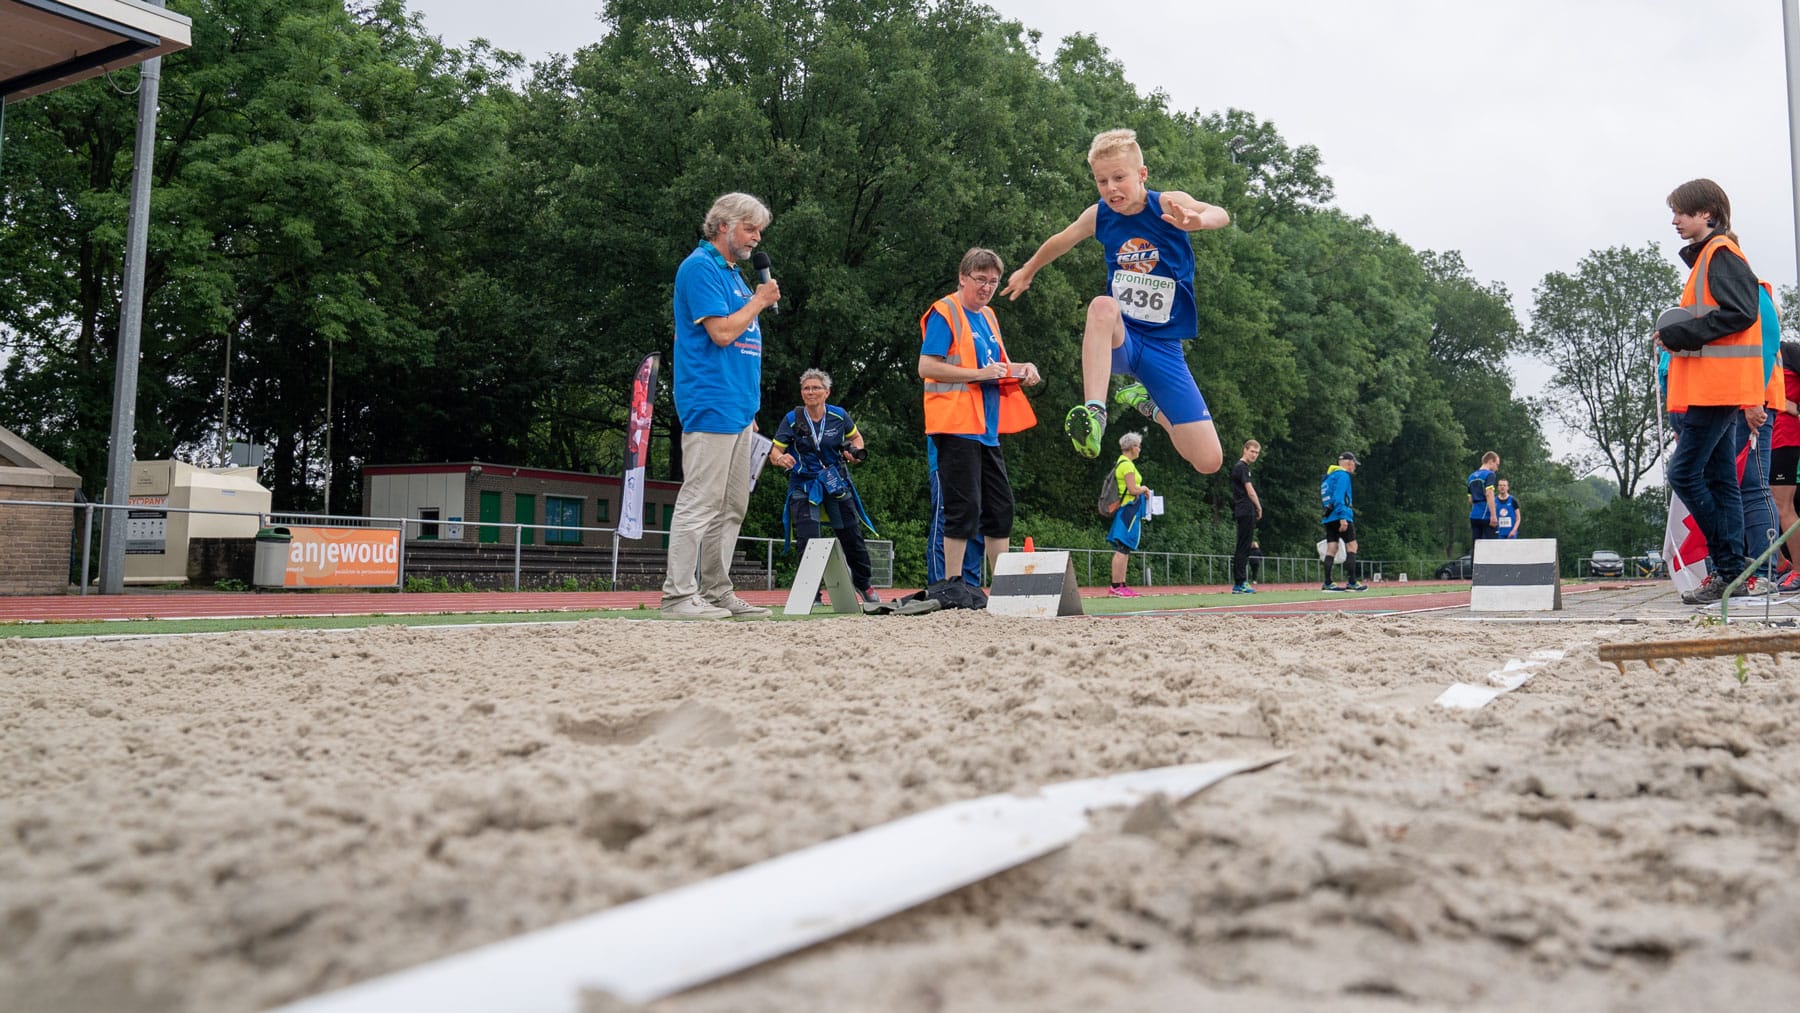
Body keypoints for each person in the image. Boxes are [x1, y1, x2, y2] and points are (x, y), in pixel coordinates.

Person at [1001, 128, 1230, 475]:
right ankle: (1095, 412)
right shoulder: (1099, 216)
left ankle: (1147, 405)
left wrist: (1198, 220)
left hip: (1163, 347)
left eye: (1119, 178)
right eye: (1102, 181)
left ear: (1142, 175)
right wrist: (1029, 269)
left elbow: (1220, 213)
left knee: (1209, 462)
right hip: (1121, 339)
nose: (1111, 188)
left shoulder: (1167, 203)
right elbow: (1062, 240)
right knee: (1102, 306)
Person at [660, 193, 780, 620]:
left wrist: (750, 407)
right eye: (751, 228)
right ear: (725, 225)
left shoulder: (733, 274)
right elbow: (723, 334)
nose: (756, 237)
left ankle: (715, 591)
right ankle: (677, 595)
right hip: (710, 402)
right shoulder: (700, 268)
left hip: (738, 407)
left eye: (758, 230)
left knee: (731, 506)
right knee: (701, 499)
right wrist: (760, 301)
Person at [1654, 178, 1767, 604]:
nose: (1675, 220)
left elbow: (1741, 313)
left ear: (1708, 214)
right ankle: (1734, 574)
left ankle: (1731, 566)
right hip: (1717, 388)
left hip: (1717, 390)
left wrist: (1679, 334)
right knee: (1721, 481)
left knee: (1683, 473)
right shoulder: (1711, 257)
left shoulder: (1720, 254)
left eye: (1682, 212)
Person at [919, 248, 1041, 588]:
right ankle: (951, 583)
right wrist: (978, 374)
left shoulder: (988, 317)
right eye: (980, 280)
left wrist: (1023, 369)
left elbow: (998, 366)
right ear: (962, 277)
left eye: (993, 281)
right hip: (955, 424)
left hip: (987, 428)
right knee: (963, 508)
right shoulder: (946, 312)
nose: (986, 287)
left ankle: (1003, 586)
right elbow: (926, 366)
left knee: (1001, 507)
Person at [770, 369, 878, 603]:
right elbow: (774, 451)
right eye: (806, 388)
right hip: (804, 483)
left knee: (851, 535)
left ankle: (864, 584)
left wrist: (854, 452)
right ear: (801, 393)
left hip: (835, 481)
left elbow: (857, 438)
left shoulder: (839, 416)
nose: (811, 392)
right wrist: (781, 459)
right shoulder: (791, 418)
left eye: (816, 388)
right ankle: (812, 592)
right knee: (807, 539)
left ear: (827, 392)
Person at [926, 437, 985, 587]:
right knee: (946, 523)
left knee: (973, 524)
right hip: (946, 461)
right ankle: (940, 586)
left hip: (978, 461)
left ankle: (970, 587)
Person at [1107, 432, 1152, 597]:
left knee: (1125, 548)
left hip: (1128, 509)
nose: (1139, 450)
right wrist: (1145, 488)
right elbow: (1133, 489)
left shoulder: (1123, 463)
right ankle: (1115, 585)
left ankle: (1122, 585)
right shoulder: (1127, 465)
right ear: (1133, 448)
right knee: (1122, 547)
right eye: (1138, 446)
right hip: (1128, 509)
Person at [1771, 340, 1800, 589]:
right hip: (1761, 439)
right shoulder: (1753, 355)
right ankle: (1780, 563)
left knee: (1782, 505)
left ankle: (1799, 570)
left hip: (1786, 439)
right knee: (1764, 505)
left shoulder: (1790, 352)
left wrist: (1797, 407)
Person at [1320, 451, 1365, 592]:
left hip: (1328, 517)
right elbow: (1339, 497)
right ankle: (1352, 581)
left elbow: (1328, 499)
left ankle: (1327, 582)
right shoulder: (1343, 476)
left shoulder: (1327, 478)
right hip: (1341, 514)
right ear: (1349, 462)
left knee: (1331, 549)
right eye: (1354, 464)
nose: (1354, 467)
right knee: (1352, 546)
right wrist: (1343, 518)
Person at [1230, 440, 1263, 593]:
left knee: (1243, 545)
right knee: (1244, 546)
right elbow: (1249, 490)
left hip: (1242, 510)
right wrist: (1258, 505)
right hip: (1245, 509)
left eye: (1257, 453)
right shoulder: (1242, 467)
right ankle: (1240, 582)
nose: (1254, 455)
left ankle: (1240, 581)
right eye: (1252, 451)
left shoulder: (1242, 468)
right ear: (1245, 450)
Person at [1467, 451, 1501, 543]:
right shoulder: (1489, 474)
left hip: (1474, 515)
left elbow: (1470, 499)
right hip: (1486, 515)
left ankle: (1474, 558)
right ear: (1491, 462)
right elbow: (1489, 493)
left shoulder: (1471, 476)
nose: (1497, 468)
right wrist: (1493, 516)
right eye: (1497, 465)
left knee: (1476, 545)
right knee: (1492, 546)